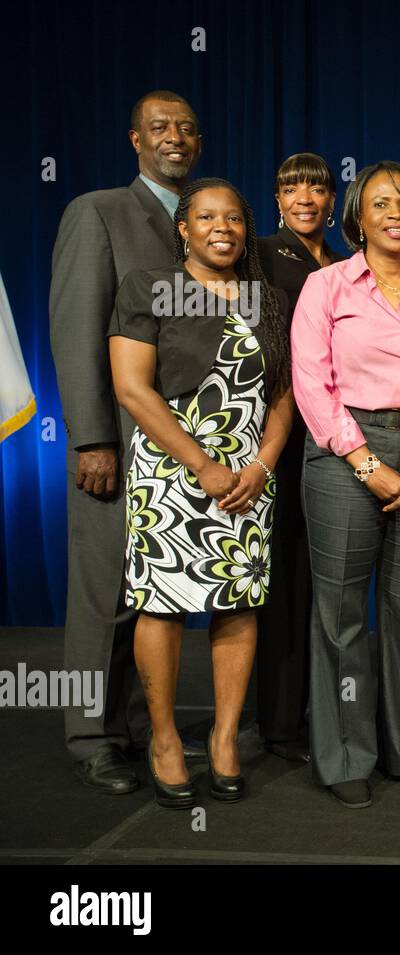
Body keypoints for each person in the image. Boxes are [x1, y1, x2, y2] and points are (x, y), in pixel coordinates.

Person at [107, 178, 294, 808]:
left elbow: (284, 394)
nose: (224, 228)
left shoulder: (267, 298)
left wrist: (261, 465)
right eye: (208, 217)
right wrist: (204, 468)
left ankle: (223, 740)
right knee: (162, 605)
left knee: (237, 605)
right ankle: (163, 740)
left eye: (236, 218)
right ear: (182, 228)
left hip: (248, 478)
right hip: (170, 473)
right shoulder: (148, 288)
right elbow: (134, 389)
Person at [292, 161, 400, 809]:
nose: (397, 213)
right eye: (381, 203)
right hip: (344, 454)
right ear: (357, 218)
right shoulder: (326, 287)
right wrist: (365, 461)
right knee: (340, 615)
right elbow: (312, 384)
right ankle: (345, 754)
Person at [49, 89, 203, 795]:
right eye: (160, 127)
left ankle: (141, 724)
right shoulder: (98, 212)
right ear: (135, 140)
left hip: (186, 448)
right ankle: (91, 735)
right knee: (104, 593)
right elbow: (77, 329)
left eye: (186, 128)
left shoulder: (205, 217)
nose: (175, 136)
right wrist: (89, 438)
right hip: (120, 440)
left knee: (154, 598)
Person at [254, 153, 344, 765]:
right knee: (283, 580)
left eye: (316, 185)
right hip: (279, 435)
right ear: (278, 198)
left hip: (334, 435)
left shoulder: (344, 262)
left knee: (325, 581)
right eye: (291, 186)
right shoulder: (258, 254)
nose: (305, 195)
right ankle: (280, 725)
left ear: (333, 200)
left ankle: (324, 712)